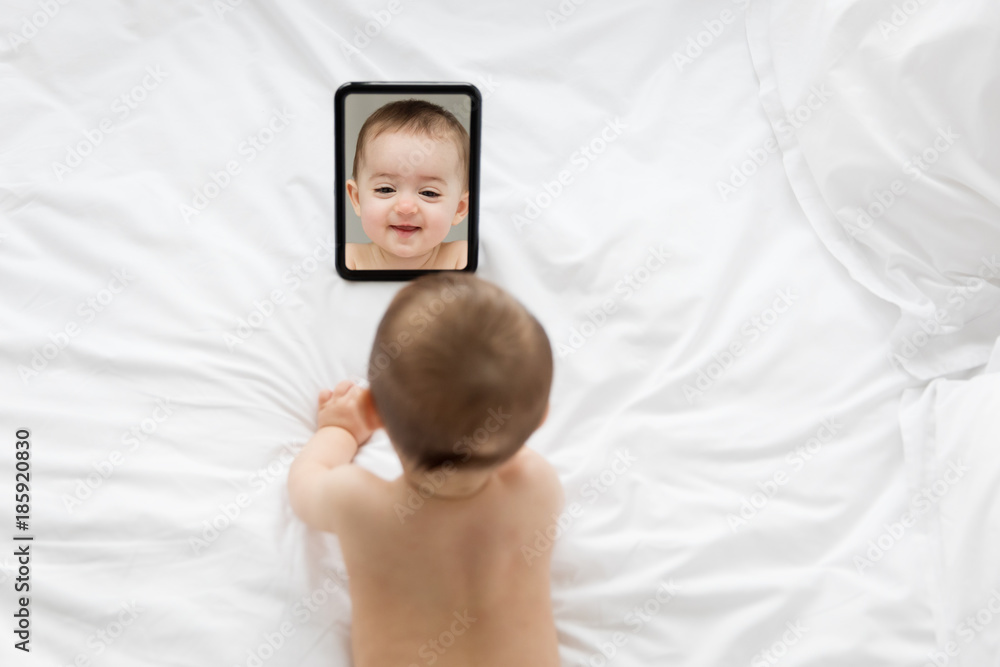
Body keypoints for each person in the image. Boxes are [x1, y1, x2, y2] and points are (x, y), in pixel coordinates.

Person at [287, 272, 562, 666]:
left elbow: (305, 483)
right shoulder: (539, 487)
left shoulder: (357, 504)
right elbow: (505, 437)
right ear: (540, 422)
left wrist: (339, 428)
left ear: (371, 410)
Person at [346, 100, 469, 270]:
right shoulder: (350, 260)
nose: (405, 207)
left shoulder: (462, 258)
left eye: (429, 193)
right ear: (357, 198)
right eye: (385, 189)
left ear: (460, 208)